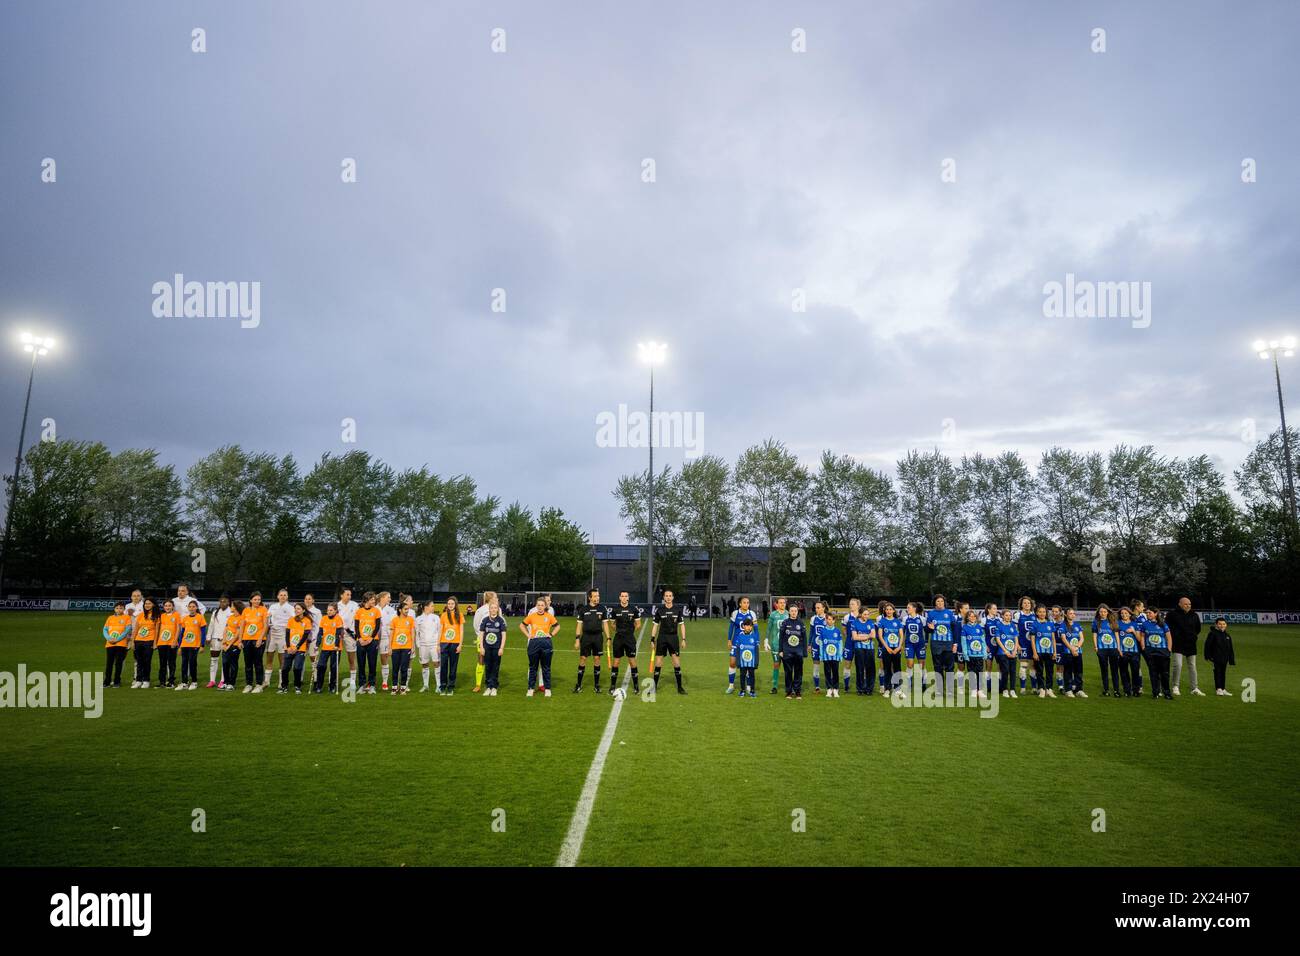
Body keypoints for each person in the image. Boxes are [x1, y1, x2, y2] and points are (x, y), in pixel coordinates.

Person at [651, 589, 687, 694]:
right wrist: (652, 639)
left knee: (676, 662)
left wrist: (683, 639)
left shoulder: (678, 610)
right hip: (662, 638)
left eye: (670, 595)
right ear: (664, 598)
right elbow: (655, 626)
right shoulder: (659, 610)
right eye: (666, 596)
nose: (668, 597)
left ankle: (680, 687)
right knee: (658, 663)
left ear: (673, 597)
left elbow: (682, 625)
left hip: (673, 638)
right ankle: (654, 687)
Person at [1166, 596, 1204, 697]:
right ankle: (1175, 686)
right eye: (1186, 604)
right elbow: (1167, 628)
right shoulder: (1172, 614)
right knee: (1178, 665)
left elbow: (1198, 629)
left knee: (1192, 666)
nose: (1188, 606)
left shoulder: (1194, 615)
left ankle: (1194, 688)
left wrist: (1193, 636)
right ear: (1180, 604)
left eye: (1189, 604)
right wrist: (1176, 636)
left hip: (1190, 644)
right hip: (1177, 643)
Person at [521, 595, 558, 698]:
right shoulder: (532, 616)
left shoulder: (549, 616)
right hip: (534, 643)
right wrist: (528, 635)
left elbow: (557, 626)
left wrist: (551, 634)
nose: (540, 607)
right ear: (536, 606)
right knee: (533, 667)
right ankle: (530, 688)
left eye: (542, 605)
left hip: (546, 643)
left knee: (546, 667)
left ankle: (547, 689)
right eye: (538, 605)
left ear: (545, 606)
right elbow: (522, 625)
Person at [574, 588, 609, 694]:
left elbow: (605, 624)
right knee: (583, 659)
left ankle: (597, 685)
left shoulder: (602, 609)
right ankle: (578, 685)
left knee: (597, 659)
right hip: (586, 637)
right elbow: (579, 625)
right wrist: (577, 639)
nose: (597, 598)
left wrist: (608, 638)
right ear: (590, 597)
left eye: (598, 596)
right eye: (595, 596)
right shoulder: (583, 609)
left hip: (598, 637)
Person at [607, 591, 641, 695]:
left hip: (630, 639)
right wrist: (618, 630)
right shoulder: (615, 610)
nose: (624, 598)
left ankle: (636, 686)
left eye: (626, 596)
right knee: (616, 662)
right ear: (619, 598)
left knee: (632, 661)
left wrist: (630, 631)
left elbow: (638, 624)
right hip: (618, 639)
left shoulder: (633, 609)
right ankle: (612, 686)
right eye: (622, 596)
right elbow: (612, 623)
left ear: (628, 598)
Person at [926, 595, 959, 692]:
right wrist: (929, 628)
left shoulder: (949, 613)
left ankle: (949, 691)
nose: (940, 603)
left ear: (944, 602)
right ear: (934, 603)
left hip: (948, 644)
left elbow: (955, 629)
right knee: (938, 667)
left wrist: (955, 644)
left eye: (941, 601)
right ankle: (939, 690)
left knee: (950, 668)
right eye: (938, 601)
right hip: (936, 644)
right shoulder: (931, 614)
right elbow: (927, 629)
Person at [725, 596, 758, 694]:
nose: (746, 604)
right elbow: (731, 628)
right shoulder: (735, 613)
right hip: (736, 642)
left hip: (748, 643)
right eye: (744, 602)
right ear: (740, 604)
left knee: (748, 663)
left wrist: (757, 641)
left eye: (748, 602)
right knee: (732, 663)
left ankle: (748, 686)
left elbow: (756, 629)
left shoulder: (752, 614)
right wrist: (729, 640)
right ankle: (731, 685)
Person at [1091, 604, 1125, 697]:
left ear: (1107, 612)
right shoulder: (1096, 622)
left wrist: (1118, 647)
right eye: (1101, 612)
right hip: (1102, 649)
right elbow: (1094, 635)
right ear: (1098, 612)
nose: (1103, 613)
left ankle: (1116, 691)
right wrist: (1096, 647)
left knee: (1114, 670)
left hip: (1113, 649)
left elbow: (1117, 635)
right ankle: (1106, 690)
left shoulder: (1112, 621)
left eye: (1104, 612)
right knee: (1104, 670)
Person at [263, 588, 293, 688]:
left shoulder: (290, 608)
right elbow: (268, 619)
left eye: (285, 595)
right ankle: (266, 681)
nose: (283, 597)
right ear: (278, 596)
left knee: (282, 660)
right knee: (269, 658)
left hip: (283, 635)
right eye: (281, 595)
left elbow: (293, 622)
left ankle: (281, 682)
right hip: (272, 635)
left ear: (287, 597)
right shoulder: (272, 607)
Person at [353, 593, 381, 695]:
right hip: (361, 642)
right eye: (372, 599)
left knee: (372, 664)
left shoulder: (376, 611)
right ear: (366, 600)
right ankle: (361, 685)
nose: (374, 601)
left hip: (372, 641)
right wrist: (359, 638)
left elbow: (377, 626)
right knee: (361, 664)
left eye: (374, 599)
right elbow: (356, 627)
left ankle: (371, 685)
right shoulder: (359, 611)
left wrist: (371, 638)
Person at [1141, 608, 1173, 700]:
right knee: (1153, 673)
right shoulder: (1145, 624)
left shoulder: (1163, 624)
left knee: (1165, 674)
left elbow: (1169, 637)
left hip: (1162, 652)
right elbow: (1143, 636)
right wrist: (1143, 647)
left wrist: (1169, 650)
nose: (1148, 614)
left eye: (1150, 613)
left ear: (1155, 613)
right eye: (1146, 613)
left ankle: (1166, 692)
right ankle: (1155, 692)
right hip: (1150, 652)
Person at [240, 592, 269, 693]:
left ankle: (259, 684)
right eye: (255, 599)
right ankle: (248, 684)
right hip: (246, 639)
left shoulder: (263, 609)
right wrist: (240, 640)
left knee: (258, 662)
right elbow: (242, 626)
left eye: (259, 599)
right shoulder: (246, 610)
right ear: (251, 600)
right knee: (248, 663)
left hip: (258, 640)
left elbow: (266, 626)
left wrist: (260, 639)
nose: (257, 601)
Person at [279, 603, 311, 694]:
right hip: (289, 648)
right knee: (285, 668)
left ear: (303, 610)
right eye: (296, 609)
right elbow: (287, 634)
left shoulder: (307, 621)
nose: (296, 610)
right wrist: (288, 647)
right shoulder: (291, 620)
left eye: (298, 609)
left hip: (300, 649)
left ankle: (297, 686)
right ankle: (284, 687)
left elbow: (305, 636)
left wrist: (297, 647)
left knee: (297, 668)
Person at [478, 600, 508, 696]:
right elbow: (481, 634)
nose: (493, 610)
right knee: (488, 667)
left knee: (495, 667)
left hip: (496, 648)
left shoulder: (501, 621)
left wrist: (501, 648)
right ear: (489, 609)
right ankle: (488, 687)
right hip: (486, 648)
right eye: (492, 608)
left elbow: (504, 635)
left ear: (497, 609)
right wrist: (481, 647)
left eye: (495, 608)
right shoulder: (485, 620)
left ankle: (494, 687)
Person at [779, 603, 807, 699]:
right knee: (788, 672)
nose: (793, 613)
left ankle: (797, 691)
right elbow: (781, 638)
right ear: (789, 612)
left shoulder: (801, 623)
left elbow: (804, 637)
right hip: (787, 651)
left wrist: (804, 652)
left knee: (798, 672)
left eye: (795, 611)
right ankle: (789, 691)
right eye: (792, 611)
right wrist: (780, 650)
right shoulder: (785, 623)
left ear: (797, 612)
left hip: (798, 651)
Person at [472, 590, 499, 693]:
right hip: (482, 640)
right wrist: (481, 637)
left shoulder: (498, 609)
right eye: (495, 597)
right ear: (491, 598)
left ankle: (492, 682)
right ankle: (478, 684)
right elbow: (476, 625)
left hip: (495, 640)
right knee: (481, 660)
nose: (497, 599)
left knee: (494, 661)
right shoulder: (480, 610)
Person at [130, 597, 160, 688]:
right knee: (139, 661)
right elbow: (136, 629)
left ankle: (146, 680)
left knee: (147, 661)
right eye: (146, 604)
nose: (147, 605)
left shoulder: (156, 616)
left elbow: (157, 631)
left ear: (153, 605)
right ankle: (138, 680)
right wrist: (132, 641)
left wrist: (155, 643)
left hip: (149, 641)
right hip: (138, 641)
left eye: (149, 603)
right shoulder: (140, 615)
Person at [959, 609, 989, 701]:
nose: (972, 618)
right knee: (971, 673)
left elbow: (983, 641)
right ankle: (973, 690)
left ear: (976, 618)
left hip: (979, 655)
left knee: (980, 672)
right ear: (967, 618)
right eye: (970, 616)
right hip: (970, 655)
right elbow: (963, 642)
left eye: (974, 616)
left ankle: (980, 691)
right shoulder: (964, 628)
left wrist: (984, 653)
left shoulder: (979, 627)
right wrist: (965, 654)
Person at [847, 603, 876, 695]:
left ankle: (869, 689)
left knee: (870, 669)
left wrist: (861, 635)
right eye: (864, 614)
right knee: (860, 668)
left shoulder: (870, 622)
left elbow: (874, 635)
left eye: (867, 614)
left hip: (870, 648)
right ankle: (860, 689)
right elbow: (854, 637)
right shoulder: (854, 623)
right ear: (860, 614)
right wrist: (867, 636)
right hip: (859, 649)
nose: (866, 616)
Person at [314, 603, 343, 693]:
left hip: (335, 648)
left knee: (333, 667)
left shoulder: (338, 619)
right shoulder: (324, 618)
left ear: (335, 611)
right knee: (321, 666)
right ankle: (319, 686)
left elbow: (338, 633)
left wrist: (336, 645)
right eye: (328, 610)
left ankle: (332, 686)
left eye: (331, 610)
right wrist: (317, 644)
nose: (329, 612)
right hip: (325, 647)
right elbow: (320, 633)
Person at [876, 603, 904, 698]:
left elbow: (901, 635)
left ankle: (898, 689)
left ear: (893, 611)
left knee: (897, 669)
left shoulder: (898, 621)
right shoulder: (882, 621)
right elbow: (880, 636)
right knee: (887, 669)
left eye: (890, 609)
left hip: (896, 649)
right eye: (887, 609)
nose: (888, 611)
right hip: (886, 649)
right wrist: (887, 647)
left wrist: (899, 647)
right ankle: (887, 689)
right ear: (885, 611)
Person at [1029, 605, 1057, 699]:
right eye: (1040, 612)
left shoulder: (1050, 624)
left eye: (1044, 612)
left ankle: (1049, 689)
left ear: (1046, 613)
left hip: (1049, 652)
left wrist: (1054, 652)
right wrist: (1035, 653)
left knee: (1050, 671)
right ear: (1037, 613)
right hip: (1039, 652)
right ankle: (1041, 689)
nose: (1042, 614)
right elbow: (1032, 639)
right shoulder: (1034, 624)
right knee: (1039, 671)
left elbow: (1053, 639)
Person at [1203, 617, 1236, 696]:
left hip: (1224, 658)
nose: (1222, 625)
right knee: (1217, 672)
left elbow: (1230, 648)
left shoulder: (1227, 635)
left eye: (1223, 624)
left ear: (1226, 625)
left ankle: (1223, 689)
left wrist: (1231, 659)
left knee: (1223, 673)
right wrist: (1208, 656)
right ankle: (1218, 689)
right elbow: (1207, 645)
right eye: (1220, 624)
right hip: (1215, 658)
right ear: (1216, 625)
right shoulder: (1212, 633)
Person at [177, 599, 206, 690]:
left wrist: (202, 645)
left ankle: (194, 682)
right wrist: (180, 646)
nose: (191, 608)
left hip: (195, 645)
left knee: (192, 663)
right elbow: (182, 633)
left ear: (196, 607)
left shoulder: (200, 617)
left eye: (193, 606)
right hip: (185, 645)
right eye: (190, 606)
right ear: (188, 608)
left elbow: (203, 632)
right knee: (184, 664)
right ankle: (184, 682)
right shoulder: (185, 618)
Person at [438, 596, 464, 694]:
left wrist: (460, 644)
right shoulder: (443, 615)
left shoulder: (460, 615)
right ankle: (443, 686)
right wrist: (438, 644)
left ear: (455, 604)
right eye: (449, 604)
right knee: (443, 666)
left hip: (455, 644)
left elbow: (461, 631)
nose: (450, 605)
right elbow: (440, 630)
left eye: (452, 604)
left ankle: (450, 687)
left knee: (453, 667)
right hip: (444, 644)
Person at [206, 594, 234, 688]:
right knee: (213, 660)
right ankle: (212, 680)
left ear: (229, 602)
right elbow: (211, 625)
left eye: (225, 601)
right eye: (221, 601)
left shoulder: (231, 612)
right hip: (215, 639)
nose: (222, 603)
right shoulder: (215, 612)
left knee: (225, 661)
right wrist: (208, 636)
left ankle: (223, 680)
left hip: (226, 640)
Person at [388, 602, 416, 695]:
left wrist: (412, 646)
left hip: (406, 647)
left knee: (404, 668)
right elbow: (391, 635)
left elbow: (412, 633)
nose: (407, 611)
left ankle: (403, 687)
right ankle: (394, 687)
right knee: (395, 668)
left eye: (408, 609)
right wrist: (389, 647)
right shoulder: (394, 620)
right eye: (405, 609)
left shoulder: (411, 620)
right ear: (400, 610)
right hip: (395, 647)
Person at [815, 611, 844, 699]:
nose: (829, 621)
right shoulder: (823, 631)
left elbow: (840, 643)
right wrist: (821, 655)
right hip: (826, 656)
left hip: (835, 656)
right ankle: (828, 689)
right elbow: (821, 643)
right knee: (827, 672)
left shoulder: (837, 631)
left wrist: (840, 655)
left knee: (835, 672)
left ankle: (835, 689)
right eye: (827, 619)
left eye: (831, 619)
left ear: (834, 620)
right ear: (826, 620)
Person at [102, 602, 132, 688]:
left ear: (124, 609)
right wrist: (108, 638)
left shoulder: (127, 617)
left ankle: (117, 682)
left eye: (121, 608)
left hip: (121, 644)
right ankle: (106, 682)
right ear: (114, 609)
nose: (119, 609)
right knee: (109, 664)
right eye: (117, 608)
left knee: (118, 663)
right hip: (110, 644)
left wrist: (117, 639)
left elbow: (127, 630)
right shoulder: (110, 618)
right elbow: (105, 629)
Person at [416, 600, 442, 693]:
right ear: (426, 607)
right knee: (424, 664)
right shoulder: (418, 619)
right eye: (432, 606)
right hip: (423, 646)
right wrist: (418, 645)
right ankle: (425, 685)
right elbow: (417, 633)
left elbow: (440, 631)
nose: (433, 607)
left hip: (434, 645)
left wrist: (438, 644)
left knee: (436, 663)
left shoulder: (436, 617)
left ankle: (439, 685)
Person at [336, 588, 359, 689]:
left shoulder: (354, 605)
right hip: (339, 634)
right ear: (341, 595)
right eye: (347, 594)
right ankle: (334, 680)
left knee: (351, 659)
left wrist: (353, 631)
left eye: (350, 595)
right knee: (336, 659)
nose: (349, 596)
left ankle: (352, 681)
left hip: (351, 635)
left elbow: (357, 619)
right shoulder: (336, 605)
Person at [1060, 608, 1086, 698]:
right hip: (1067, 652)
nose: (1072, 615)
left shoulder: (1077, 625)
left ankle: (1079, 690)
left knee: (1078, 672)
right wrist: (1071, 649)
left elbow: (1082, 638)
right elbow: (1063, 639)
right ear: (1066, 615)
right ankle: (1068, 690)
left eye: (1073, 613)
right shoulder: (1062, 626)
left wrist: (1077, 647)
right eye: (1070, 613)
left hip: (1078, 652)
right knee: (1068, 671)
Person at [1116, 607, 1142, 697]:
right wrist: (1118, 649)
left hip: (1134, 652)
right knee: (1123, 672)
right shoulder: (1118, 624)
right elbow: (1116, 638)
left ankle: (1136, 690)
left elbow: (1139, 639)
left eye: (1126, 613)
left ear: (1130, 614)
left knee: (1135, 671)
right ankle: (1127, 690)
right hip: (1123, 652)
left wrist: (1133, 631)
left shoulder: (1135, 624)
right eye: (1122, 613)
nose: (1124, 615)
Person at [994, 609, 1020, 698]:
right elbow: (998, 640)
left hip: (1013, 653)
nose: (1008, 617)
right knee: (1005, 671)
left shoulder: (1013, 626)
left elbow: (1016, 639)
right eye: (1006, 615)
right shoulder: (999, 626)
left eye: (1009, 615)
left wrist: (1014, 650)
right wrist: (1005, 651)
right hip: (1002, 653)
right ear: (1002, 616)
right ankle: (1004, 689)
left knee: (1013, 671)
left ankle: (1012, 690)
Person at [765, 596, 788, 695]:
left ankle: (789, 687)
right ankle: (774, 687)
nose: (782, 604)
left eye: (784, 602)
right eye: (780, 602)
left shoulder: (788, 614)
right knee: (776, 665)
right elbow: (769, 628)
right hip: (776, 644)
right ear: (777, 604)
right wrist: (766, 639)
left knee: (788, 667)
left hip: (787, 645)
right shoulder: (773, 615)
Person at [902, 601, 926, 693]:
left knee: (921, 665)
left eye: (908, 607)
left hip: (920, 644)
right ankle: (908, 684)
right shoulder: (905, 619)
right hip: (909, 644)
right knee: (910, 664)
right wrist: (902, 644)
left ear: (914, 609)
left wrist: (926, 642)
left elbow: (926, 632)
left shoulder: (922, 619)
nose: (907, 609)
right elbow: (903, 633)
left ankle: (922, 684)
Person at [219, 600, 244, 691]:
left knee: (233, 664)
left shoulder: (241, 618)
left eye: (232, 605)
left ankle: (231, 684)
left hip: (235, 645)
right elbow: (226, 629)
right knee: (225, 664)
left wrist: (229, 644)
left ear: (236, 607)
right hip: (226, 644)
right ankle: (225, 682)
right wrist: (224, 642)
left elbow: (238, 633)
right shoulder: (230, 617)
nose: (231, 607)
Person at [156, 599, 181, 688]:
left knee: (171, 663)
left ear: (173, 607)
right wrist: (156, 642)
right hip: (162, 643)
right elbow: (158, 629)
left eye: (169, 605)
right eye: (166, 606)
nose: (167, 607)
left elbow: (178, 628)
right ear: (164, 607)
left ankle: (171, 681)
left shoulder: (176, 615)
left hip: (172, 643)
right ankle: (162, 682)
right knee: (162, 663)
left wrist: (175, 641)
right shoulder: (161, 616)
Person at [732, 617, 760, 698]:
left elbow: (756, 650)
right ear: (743, 626)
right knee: (742, 675)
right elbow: (737, 650)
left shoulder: (754, 636)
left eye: (750, 626)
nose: (749, 627)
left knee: (752, 675)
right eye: (747, 625)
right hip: (742, 661)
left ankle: (752, 690)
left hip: (752, 661)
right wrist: (737, 662)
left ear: (752, 627)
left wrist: (756, 662)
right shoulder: (740, 636)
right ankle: (742, 690)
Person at [1014, 596, 1037, 692]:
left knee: (1033, 666)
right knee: (1023, 665)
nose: (1027, 604)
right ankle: (1023, 688)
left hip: (1033, 645)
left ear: (1031, 604)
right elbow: (1015, 631)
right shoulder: (1018, 615)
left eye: (1028, 603)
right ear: (1021, 605)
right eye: (1024, 603)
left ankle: (1034, 688)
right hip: (1022, 644)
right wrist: (1017, 645)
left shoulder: (1035, 615)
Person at [808, 600, 827, 693]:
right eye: (816, 608)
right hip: (815, 645)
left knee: (827, 665)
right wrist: (809, 644)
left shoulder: (828, 618)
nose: (817, 609)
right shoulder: (813, 618)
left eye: (818, 607)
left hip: (826, 646)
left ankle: (829, 686)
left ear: (823, 608)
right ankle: (817, 687)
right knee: (816, 666)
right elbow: (811, 633)